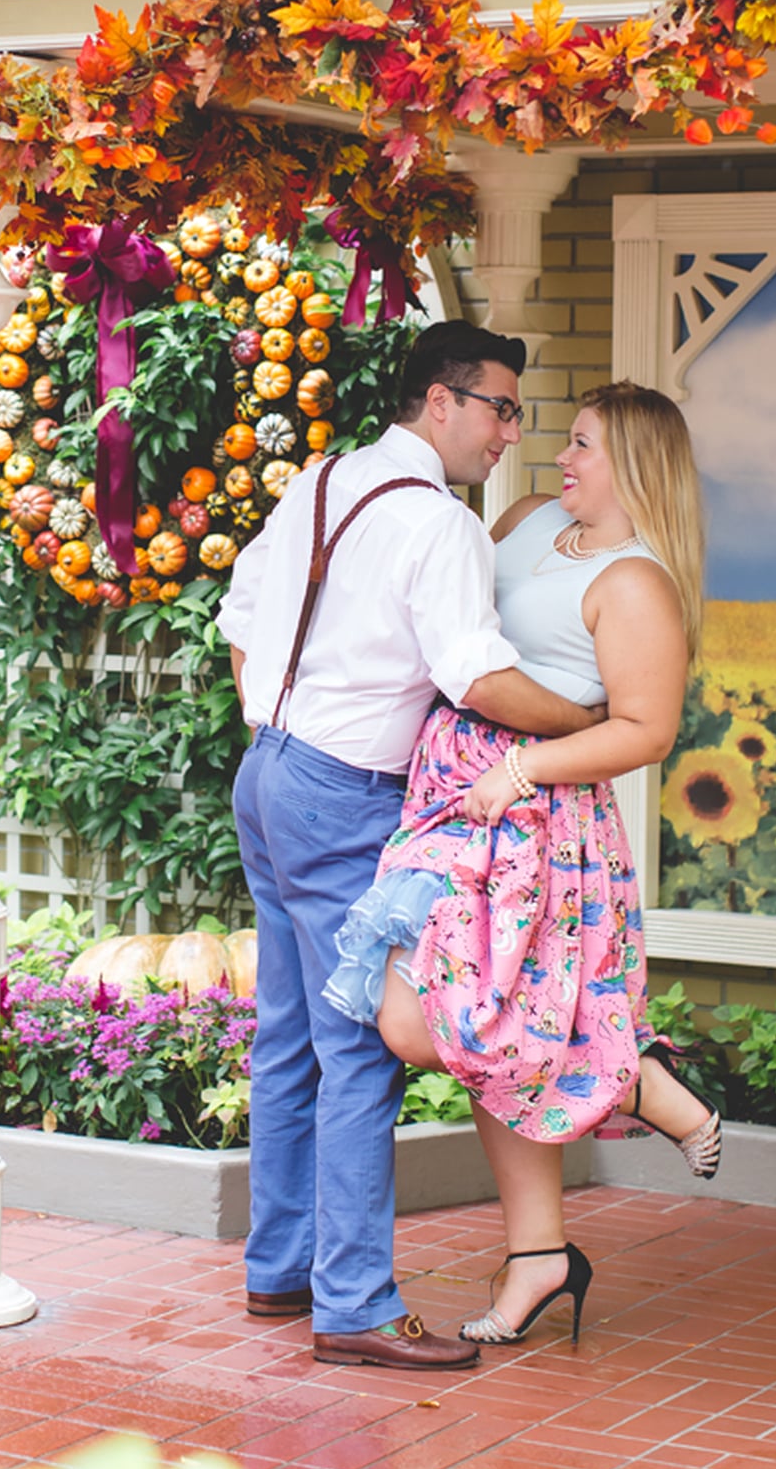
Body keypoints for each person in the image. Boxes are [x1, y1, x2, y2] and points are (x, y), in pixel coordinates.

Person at [219, 320, 602, 1373]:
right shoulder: (437, 523)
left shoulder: (326, 482)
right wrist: (585, 722)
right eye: (501, 408)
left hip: (271, 770)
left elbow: (239, 613)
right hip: (343, 791)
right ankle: (352, 1304)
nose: (509, 432)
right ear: (442, 400)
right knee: (359, 1047)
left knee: (293, 1030)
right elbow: (476, 676)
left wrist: (282, 711)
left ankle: (279, 1269)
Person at [325, 380, 719, 1350]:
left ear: (631, 464)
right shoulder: (528, 520)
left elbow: (646, 730)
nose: (561, 460)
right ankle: (539, 1249)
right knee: (484, 1016)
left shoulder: (636, 582)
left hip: (532, 820)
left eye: (581, 446)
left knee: (424, 1020)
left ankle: (627, 1080)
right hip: (454, 791)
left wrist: (523, 767)